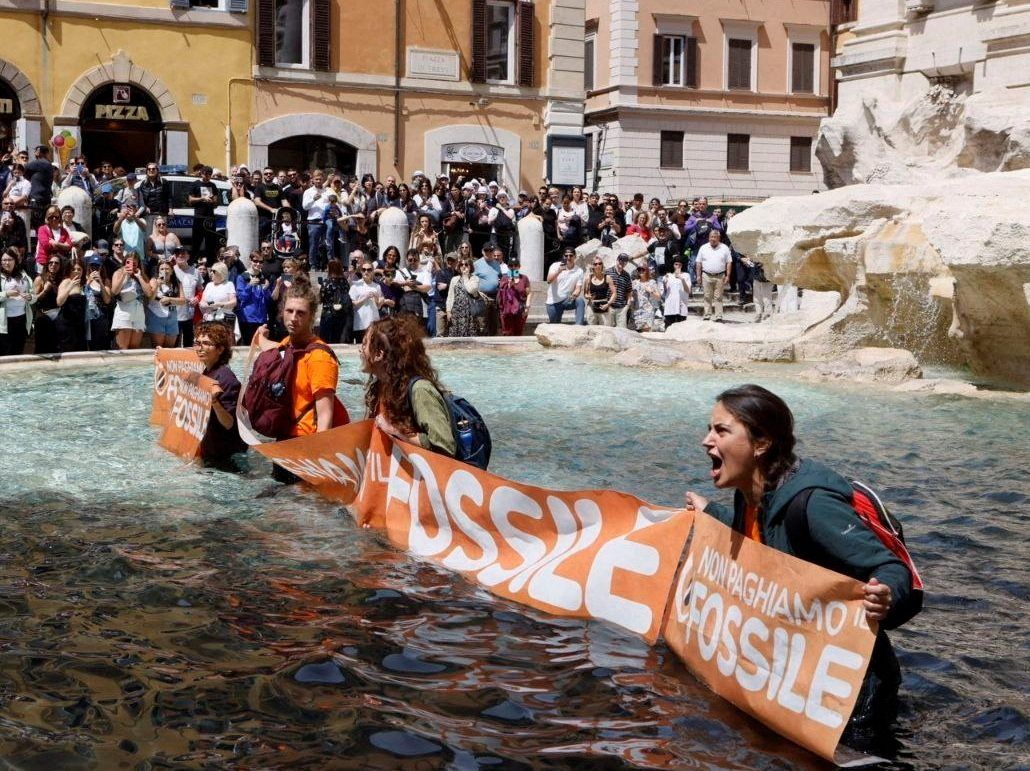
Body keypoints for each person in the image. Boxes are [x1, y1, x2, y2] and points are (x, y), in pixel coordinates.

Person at [685, 384, 912, 750]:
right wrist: (709, 513)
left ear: (761, 444)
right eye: (710, 428)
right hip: (802, 681)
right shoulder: (751, 494)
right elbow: (764, 537)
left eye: (721, 431)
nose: (706, 440)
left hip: (852, 696)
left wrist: (886, 595)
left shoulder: (812, 504)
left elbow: (890, 567)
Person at [253, 282, 351, 482]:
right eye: (289, 311)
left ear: (312, 316)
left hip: (307, 446)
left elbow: (325, 414)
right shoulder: (288, 345)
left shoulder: (319, 357)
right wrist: (260, 338)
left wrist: (317, 461)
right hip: (285, 441)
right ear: (282, 312)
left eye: (301, 313)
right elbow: (272, 348)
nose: (293, 318)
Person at [361, 314, 457, 458]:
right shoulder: (380, 387)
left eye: (364, 344)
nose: (360, 350)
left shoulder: (420, 390)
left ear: (379, 354)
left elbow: (445, 447)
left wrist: (396, 431)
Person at [191, 321, 247, 465]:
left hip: (226, 457)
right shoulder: (207, 371)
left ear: (220, 349)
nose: (200, 348)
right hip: (212, 450)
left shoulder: (226, 379)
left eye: (206, 343)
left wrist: (215, 402)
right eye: (198, 343)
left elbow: (229, 424)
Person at [110, 253, 152, 350]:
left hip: (138, 312)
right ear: (125, 261)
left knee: (135, 347)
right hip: (124, 310)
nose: (132, 266)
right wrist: (124, 275)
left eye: (134, 264)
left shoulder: (141, 274)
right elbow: (114, 291)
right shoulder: (118, 273)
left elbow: (149, 293)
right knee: (123, 347)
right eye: (129, 262)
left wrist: (139, 277)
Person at [0, 248, 33, 355]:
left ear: (15, 260)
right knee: (6, 352)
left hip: (21, 318)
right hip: (4, 321)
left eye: (9, 259)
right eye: (4, 260)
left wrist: (30, 297)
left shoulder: (23, 274)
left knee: (18, 350)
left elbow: (33, 295)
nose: (6, 262)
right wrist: (7, 294)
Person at [695, 229, 733, 322]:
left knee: (718, 297)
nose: (713, 239)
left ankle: (718, 316)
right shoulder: (703, 248)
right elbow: (698, 262)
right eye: (711, 237)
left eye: (715, 237)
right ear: (709, 238)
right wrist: (698, 275)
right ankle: (707, 315)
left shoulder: (724, 248)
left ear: (718, 238)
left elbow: (729, 262)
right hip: (706, 275)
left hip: (720, 276)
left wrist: (728, 276)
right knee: (707, 296)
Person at [145, 260, 184, 348]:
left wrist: (169, 299)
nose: (164, 271)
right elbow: (150, 298)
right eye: (161, 269)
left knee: (170, 348)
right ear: (158, 270)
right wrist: (157, 285)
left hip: (172, 316)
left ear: (172, 271)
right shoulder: (154, 280)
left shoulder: (176, 283)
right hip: (156, 315)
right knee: (158, 348)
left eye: (167, 269)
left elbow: (183, 300)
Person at [55, 257, 89, 352]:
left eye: (79, 269)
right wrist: (70, 286)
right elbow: (59, 302)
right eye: (73, 269)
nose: (76, 271)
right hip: (67, 324)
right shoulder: (66, 282)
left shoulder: (83, 284)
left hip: (79, 325)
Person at [545, 248, 586, 325]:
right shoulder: (555, 265)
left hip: (567, 300)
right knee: (555, 326)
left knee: (580, 301)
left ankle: (578, 326)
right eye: (566, 255)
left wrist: (574, 295)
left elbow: (578, 288)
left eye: (571, 255)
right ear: (563, 256)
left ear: (575, 257)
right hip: (553, 302)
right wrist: (559, 271)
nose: (568, 258)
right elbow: (548, 281)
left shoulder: (579, 271)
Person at [188, 166, 220, 262]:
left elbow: (216, 202)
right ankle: (192, 262)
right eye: (205, 174)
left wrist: (212, 200)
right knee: (196, 242)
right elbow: (190, 200)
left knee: (211, 243)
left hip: (210, 218)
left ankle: (210, 263)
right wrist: (202, 198)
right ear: (201, 174)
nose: (207, 176)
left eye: (209, 174)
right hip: (199, 217)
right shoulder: (195, 184)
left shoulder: (213, 185)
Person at [349, 259, 385, 344]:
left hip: (374, 323)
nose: (366, 272)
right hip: (360, 323)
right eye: (364, 269)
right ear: (361, 271)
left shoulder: (377, 286)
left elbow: (378, 306)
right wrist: (364, 298)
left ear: (373, 271)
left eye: (369, 269)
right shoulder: (356, 285)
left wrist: (377, 299)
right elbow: (351, 304)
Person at [318, 258, 353, 344]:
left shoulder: (326, 282)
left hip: (328, 315)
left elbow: (320, 299)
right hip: (341, 315)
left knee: (327, 342)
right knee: (339, 340)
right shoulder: (344, 282)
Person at [446, 254, 481, 338]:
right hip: (456, 313)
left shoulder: (474, 278)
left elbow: (471, 290)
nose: (464, 266)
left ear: (470, 267)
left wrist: (465, 277)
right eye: (461, 264)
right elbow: (450, 296)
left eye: (466, 264)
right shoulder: (454, 279)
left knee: (470, 338)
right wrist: (448, 311)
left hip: (470, 314)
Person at [82, 252, 112, 351]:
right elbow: (82, 295)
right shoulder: (84, 279)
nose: (94, 269)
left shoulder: (105, 280)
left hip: (101, 315)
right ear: (89, 267)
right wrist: (88, 282)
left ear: (101, 267)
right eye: (92, 266)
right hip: (87, 316)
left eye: (97, 266)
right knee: (88, 344)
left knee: (102, 344)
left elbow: (107, 300)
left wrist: (101, 284)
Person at [172, 247, 200, 347]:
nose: (180, 256)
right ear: (174, 257)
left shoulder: (195, 271)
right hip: (173, 314)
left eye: (183, 253)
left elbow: (201, 290)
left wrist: (197, 298)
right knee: (174, 345)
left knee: (189, 344)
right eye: (177, 254)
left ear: (188, 256)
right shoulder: (170, 269)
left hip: (190, 314)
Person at [472, 243, 502, 335]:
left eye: (491, 251)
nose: (488, 252)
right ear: (482, 251)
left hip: (494, 297)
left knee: (493, 323)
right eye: (486, 250)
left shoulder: (497, 264)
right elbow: (471, 280)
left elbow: (499, 278)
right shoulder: (476, 264)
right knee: (482, 323)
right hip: (482, 297)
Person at [199, 261, 237, 334]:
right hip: (209, 318)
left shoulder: (229, 284)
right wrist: (204, 304)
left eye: (213, 271)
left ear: (221, 273)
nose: (211, 273)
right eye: (210, 271)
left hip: (224, 319)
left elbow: (234, 302)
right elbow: (202, 301)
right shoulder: (209, 285)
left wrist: (220, 304)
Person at [497, 255, 531, 336]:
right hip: (507, 310)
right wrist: (509, 284)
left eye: (516, 265)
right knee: (507, 332)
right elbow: (502, 293)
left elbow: (528, 293)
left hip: (520, 309)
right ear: (508, 267)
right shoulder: (505, 278)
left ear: (519, 266)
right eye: (511, 265)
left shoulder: (524, 278)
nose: (513, 267)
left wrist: (527, 306)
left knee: (519, 332)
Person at [34, 206, 73, 275]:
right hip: (44, 263)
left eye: (57, 217)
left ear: (60, 218)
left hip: (59, 265)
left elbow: (69, 246)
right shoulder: (42, 229)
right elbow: (46, 246)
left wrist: (56, 243)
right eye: (51, 217)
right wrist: (63, 246)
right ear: (47, 217)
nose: (54, 219)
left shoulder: (64, 231)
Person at [630, 265, 663, 332]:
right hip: (636, 310)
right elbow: (629, 293)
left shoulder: (652, 282)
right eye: (639, 270)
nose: (641, 271)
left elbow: (659, 297)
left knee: (646, 330)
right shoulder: (634, 282)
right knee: (636, 331)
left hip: (648, 310)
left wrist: (650, 291)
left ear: (647, 271)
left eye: (643, 270)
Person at [583, 257, 615, 326]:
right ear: (593, 266)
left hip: (604, 305)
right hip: (592, 306)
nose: (598, 266)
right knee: (592, 328)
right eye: (595, 264)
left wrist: (608, 304)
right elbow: (585, 294)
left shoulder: (608, 278)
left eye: (600, 264)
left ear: (602, 265)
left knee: (605, 329)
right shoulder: (588, 278)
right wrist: (588, 297)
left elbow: (614, 293)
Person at [605, 253, 634, 328]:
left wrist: (627, 306)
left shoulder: (627, 275)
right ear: (617, 260)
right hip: (609, 307)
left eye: (625, 261)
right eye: (621, 260)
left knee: (622, 332)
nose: (622, 262)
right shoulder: (607, 272)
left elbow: (629, 292)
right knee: (608, 331)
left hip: (621, 308)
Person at [662, 258, 692, 328]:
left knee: (681, 330)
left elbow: (688, 291)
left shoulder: (686, 275)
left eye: (680, 265)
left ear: (682, 266)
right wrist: (664, 283)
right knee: (668, 329)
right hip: (670, 308)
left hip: (682, 307)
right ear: (673, 265)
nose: (678, 266)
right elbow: (664, 292)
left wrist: (682, 279)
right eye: (676, 264)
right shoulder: (668, 276)